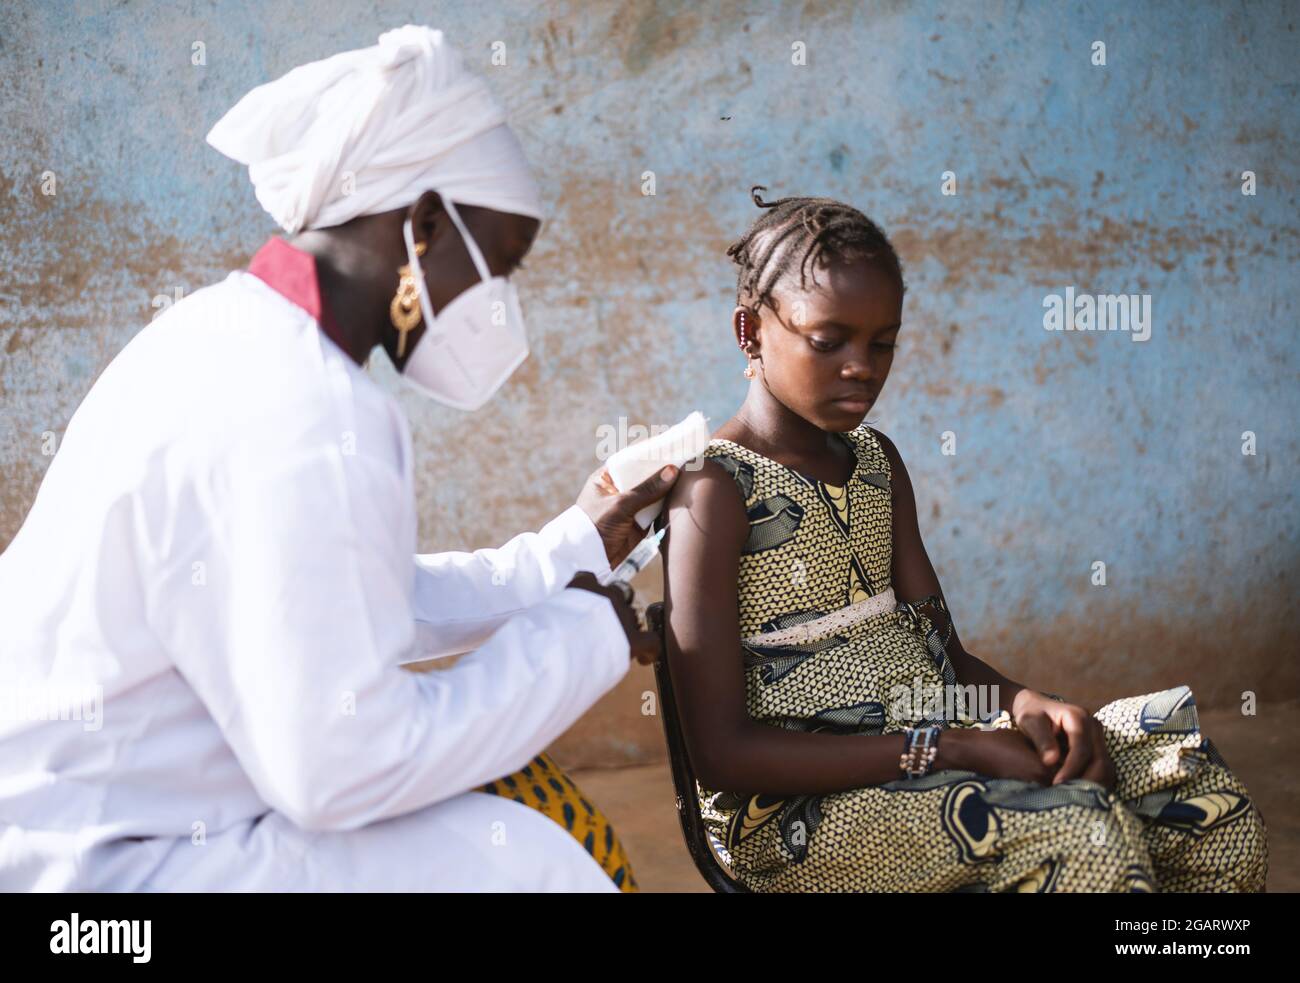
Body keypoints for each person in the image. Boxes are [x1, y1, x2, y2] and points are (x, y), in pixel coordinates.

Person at [0, 26, 677, 893]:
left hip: (76, 818)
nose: (501, 304)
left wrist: (571, 553)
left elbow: (341, 599)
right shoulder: (303, 410)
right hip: (94, 880)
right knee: (542, 858)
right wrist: (590, 634)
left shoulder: (225, 334)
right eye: (502, 264)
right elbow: (343, 769)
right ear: (426, 224)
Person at [658, 187, 1269, 892]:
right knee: (1076, 826)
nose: (863, 365)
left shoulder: (878, 463)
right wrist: (945, 748)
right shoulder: (715, 489)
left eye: (882, 342)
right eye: (829, 340)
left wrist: (1028, 707)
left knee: (1188, 784)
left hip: (931, 748)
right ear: (750, 331)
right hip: (799, 816)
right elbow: (723, 754)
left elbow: (943, 657)